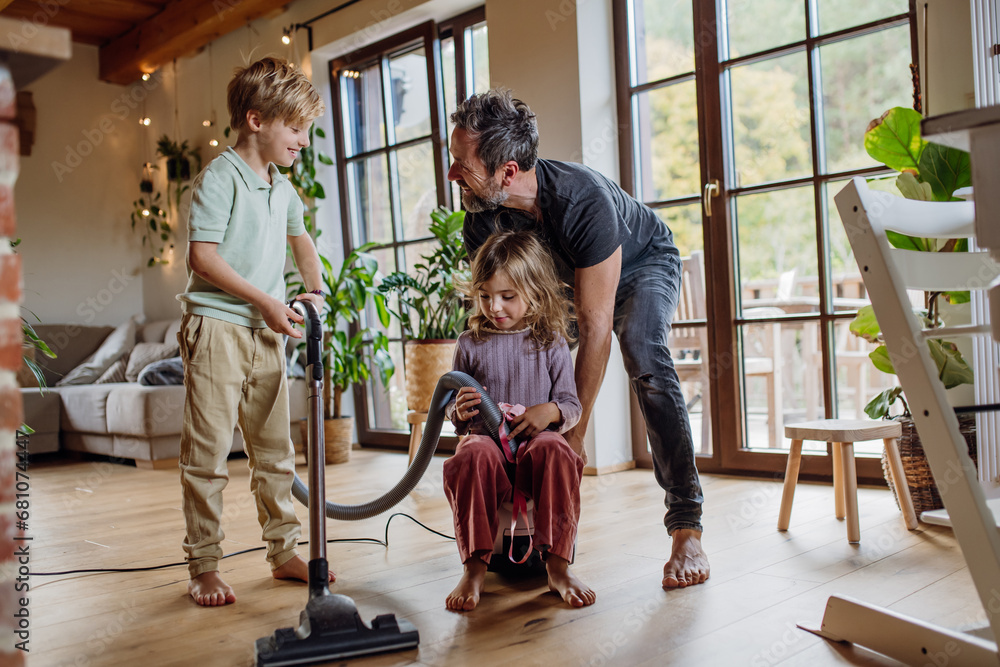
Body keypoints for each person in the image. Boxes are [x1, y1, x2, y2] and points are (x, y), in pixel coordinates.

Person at [448, 89, 710, 589]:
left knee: (643, 352)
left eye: (462, 163)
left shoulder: (580, 199)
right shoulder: (482, 220)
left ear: (507, 171)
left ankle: (686, 527)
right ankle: (508, 527)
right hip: (560, 281)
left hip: (640, 263)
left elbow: (595, 326)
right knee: (523, 343)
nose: (452, 173)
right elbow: (503, 314)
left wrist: (572, 433)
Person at [176, 56, 331, 607]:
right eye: (296, 128)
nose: (304, 141)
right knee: (208, 455)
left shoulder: (282, 187)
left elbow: (302, 241)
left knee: (274, 451)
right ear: (257, 119)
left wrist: (315, 293)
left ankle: (283, 551)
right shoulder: (221, 177)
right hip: (218, 327)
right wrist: (266, 300)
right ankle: (205, 565)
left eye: (307, 130)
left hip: (267, 332)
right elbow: (202, 258)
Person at [442, 230, 595, 611]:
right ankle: (474, 568)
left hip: (535, 448)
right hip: (488, 447)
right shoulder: (470, 343)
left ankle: (558, 567)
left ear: (534, 293)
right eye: (485, 296)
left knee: (557, 450)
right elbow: (450, 404)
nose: (495, 307)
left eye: (508, 296)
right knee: (471, 453)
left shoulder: (551, 340)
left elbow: (571, 403)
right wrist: (457, 413)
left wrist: (551, 411)